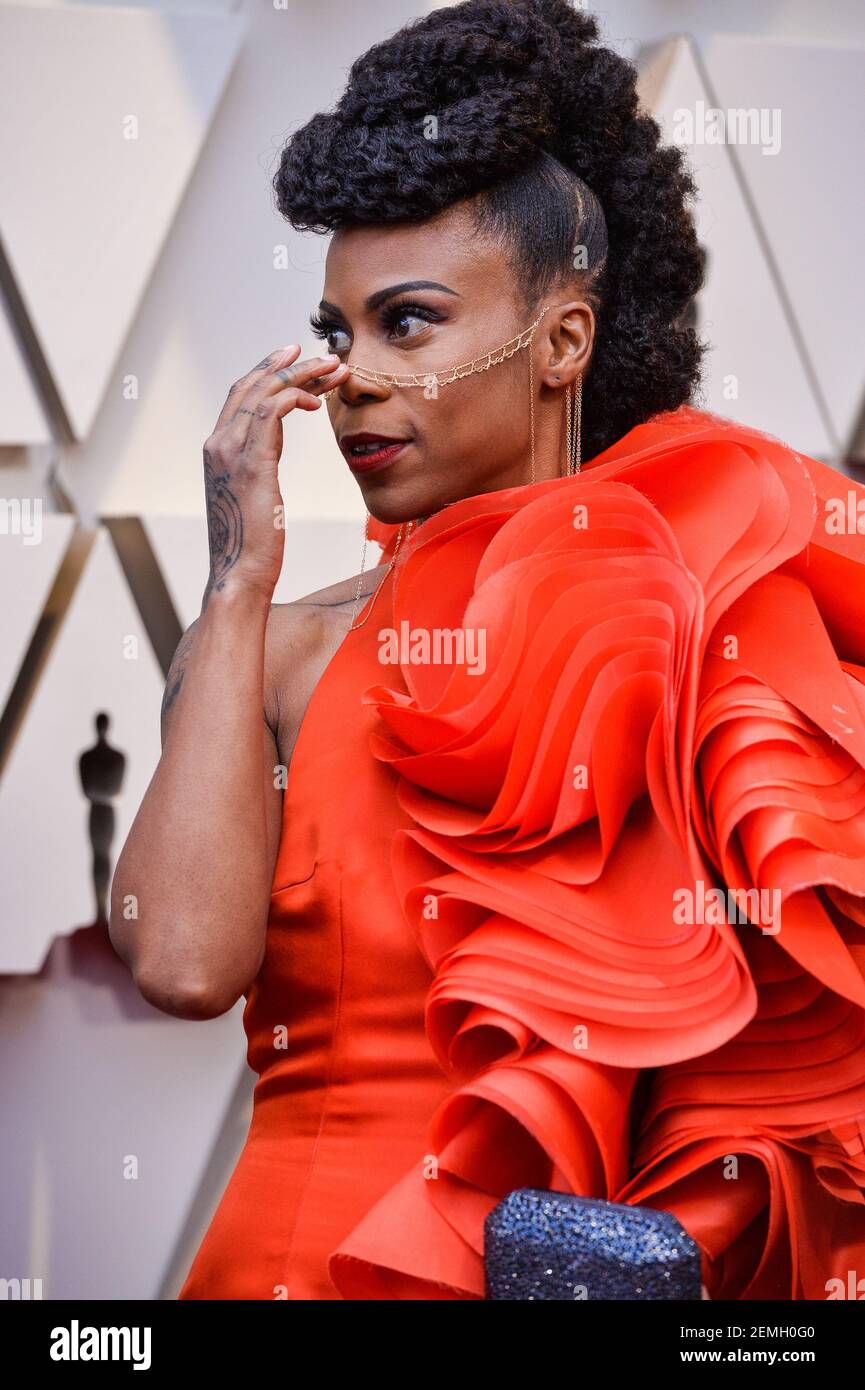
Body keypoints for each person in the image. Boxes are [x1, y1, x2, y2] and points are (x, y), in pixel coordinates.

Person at [110, 0, 865, 1301]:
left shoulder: (713, 611)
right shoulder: (280, 644)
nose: (352, 375)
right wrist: (238, 576)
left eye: (408, 322)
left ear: (562, 341)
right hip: (298, 1265)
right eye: (338, 332)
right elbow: (181, 961)